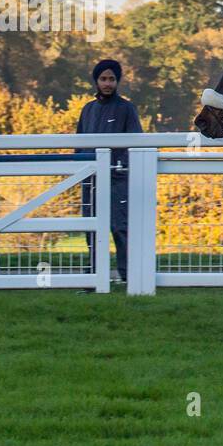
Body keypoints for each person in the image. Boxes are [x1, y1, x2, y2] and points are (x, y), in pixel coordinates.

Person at [76, 59, 142, 282]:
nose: (107, 83)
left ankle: (128, 276)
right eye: (103, 79)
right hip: (90, 179)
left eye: (111, 79)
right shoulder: (88, 110)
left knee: (119, 227)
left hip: (117, 179)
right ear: (96, 81)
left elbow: (136, 142)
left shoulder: (126, 109)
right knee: (91, 227)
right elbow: (79, 144)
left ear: (117, 81)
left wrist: (122, 168)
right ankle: (95, 275)